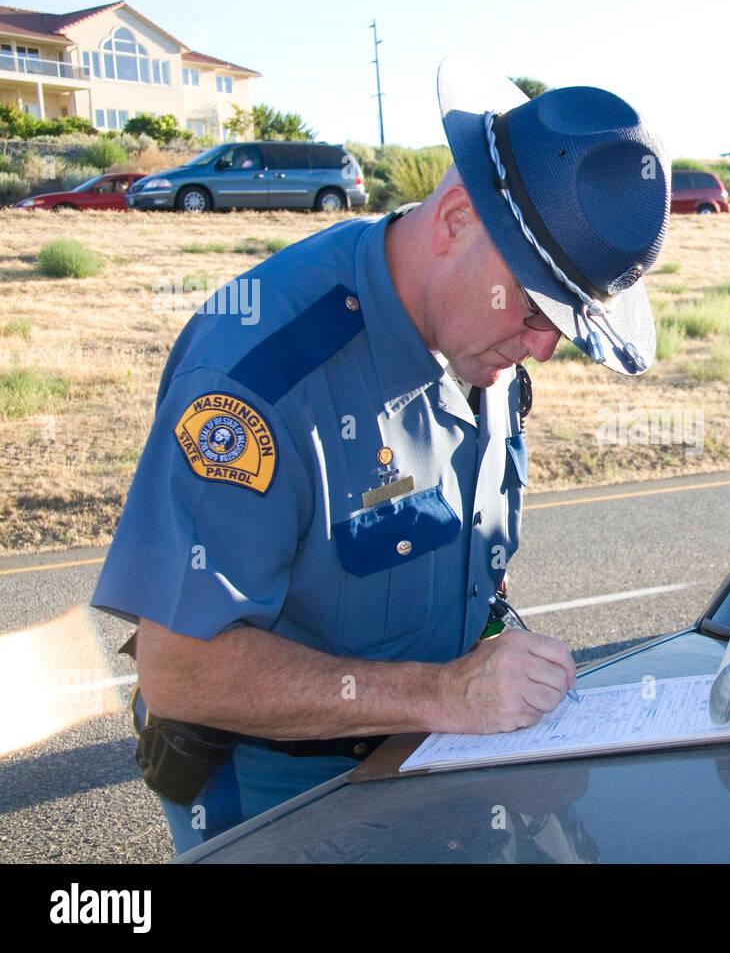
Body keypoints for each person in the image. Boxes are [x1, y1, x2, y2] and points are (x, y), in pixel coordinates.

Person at [91, 54, 671, 853]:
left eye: (565, 326)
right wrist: (445, 694)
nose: (542, 347)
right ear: (456, 220)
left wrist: (485, 666)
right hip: (283, 806)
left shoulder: (481, 340)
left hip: (436, 766)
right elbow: (180, 669)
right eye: (536, 309)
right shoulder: (261, 380)